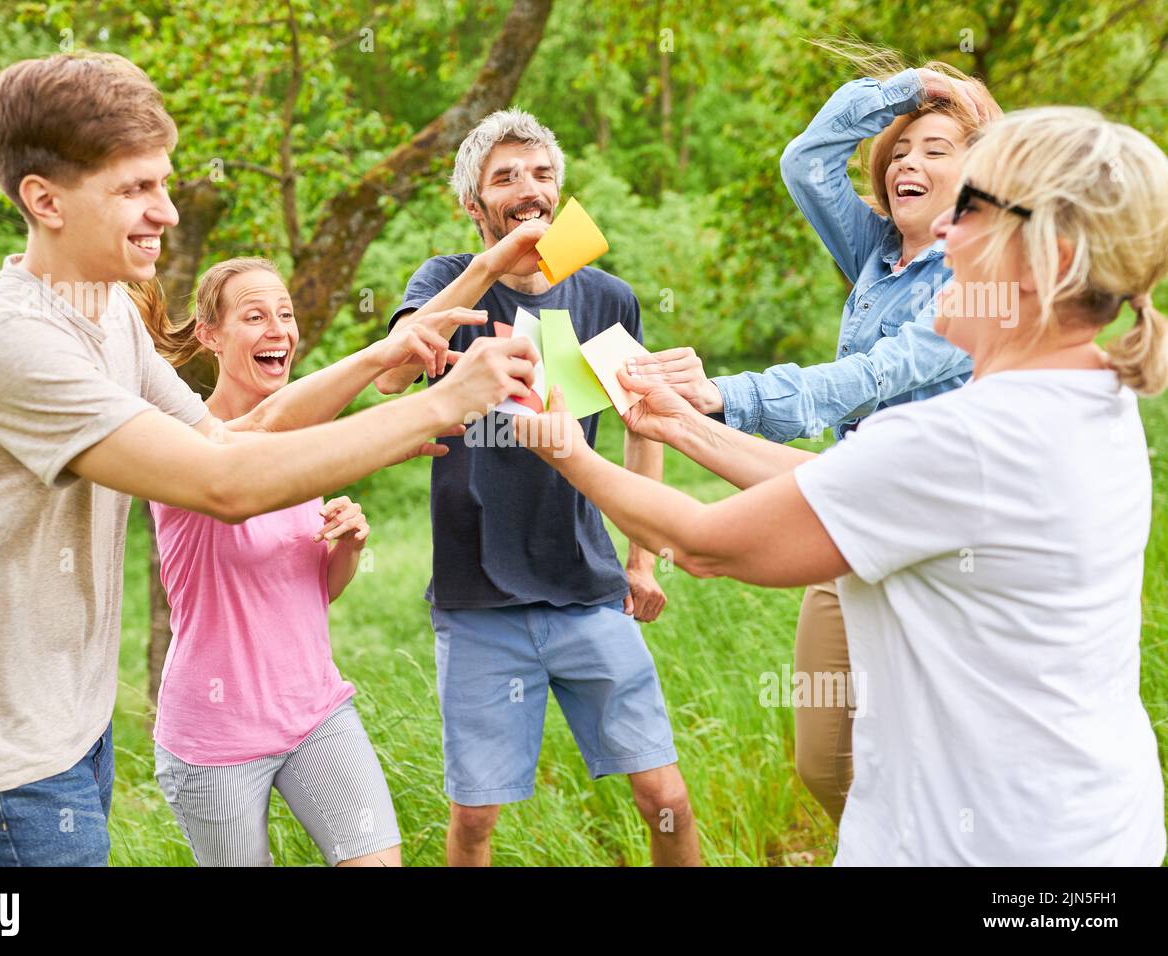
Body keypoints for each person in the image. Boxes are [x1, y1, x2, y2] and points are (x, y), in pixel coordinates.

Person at [0, 52, 536, 867]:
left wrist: (381, 357)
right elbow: (222, 485)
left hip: (66, 715)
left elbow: (229, 437)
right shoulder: (4, 343)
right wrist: (435, 406)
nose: (169, 212)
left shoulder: (108, 310)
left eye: (164, 183)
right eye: (135, 190)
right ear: (43, 200)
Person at [517, 106, 1168, 865]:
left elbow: (705, 545)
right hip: (1091, 836)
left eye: (972, 210)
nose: (945, 236)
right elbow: (849, 484)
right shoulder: (1094, 397)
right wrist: (684, 427)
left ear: (1049, 259)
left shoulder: (965, 438)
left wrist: (568, 453)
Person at [625, 53, 1001, 823]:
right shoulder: (873, 251)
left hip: (934, 535)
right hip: (849, 510)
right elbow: (807, 160)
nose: (910, 162)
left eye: (937, 150)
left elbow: (870, 376)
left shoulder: (978, 281)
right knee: (826, 758)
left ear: (982, 180)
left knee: (942, 755)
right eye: (900, 151)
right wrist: (908, 91)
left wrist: (722, 396)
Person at [374, 109, 700, 866]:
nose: (530, 188)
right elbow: (391, 374)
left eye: (543, 174)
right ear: (474, 206)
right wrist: (489, 268)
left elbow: (641, 421)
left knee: (667, 801)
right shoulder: (445, 286)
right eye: (507, 177)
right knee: (477, 821)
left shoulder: (603, 298)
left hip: (585, 588)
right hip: (479, 598)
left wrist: (643, 557)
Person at [135, 258, 413, 867]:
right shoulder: (182, 447)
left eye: (285, 315)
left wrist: (347, 546)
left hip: (313, 710)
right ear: (209, 334)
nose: (278, 331)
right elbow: (243, 462)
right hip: (216, 733)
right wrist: (382, 370)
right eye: (254, 316)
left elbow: (310, 591)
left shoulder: (298, 441)